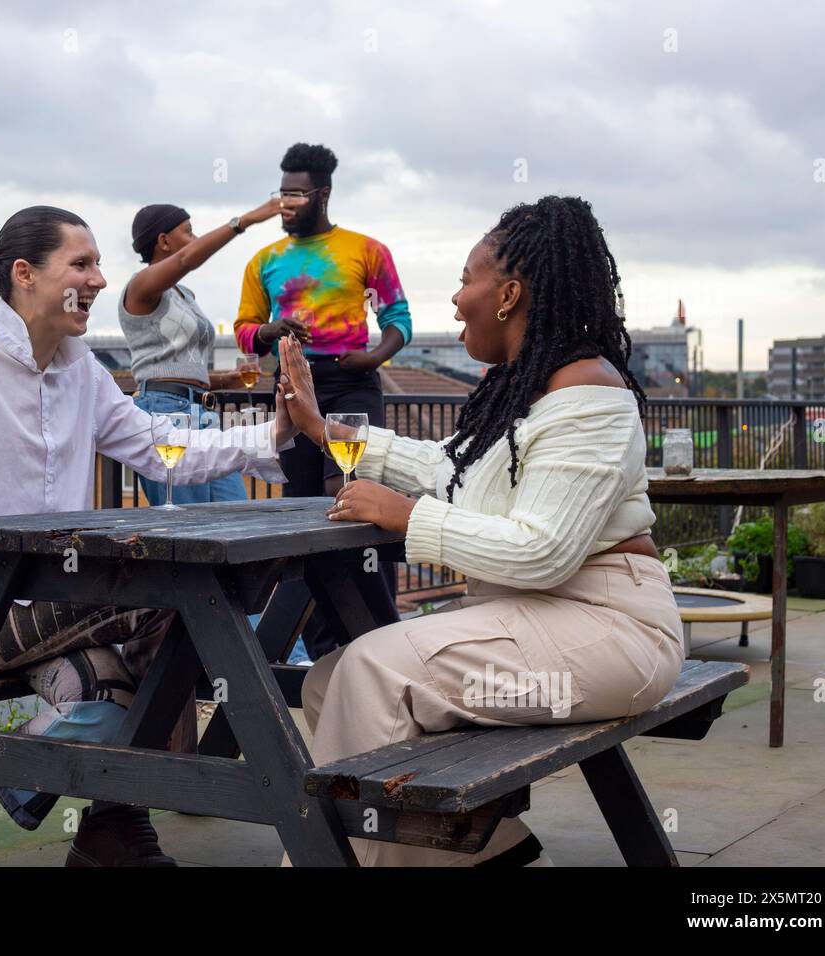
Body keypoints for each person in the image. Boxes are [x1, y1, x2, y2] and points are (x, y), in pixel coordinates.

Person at [275, 195, 685, 867]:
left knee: (373, 674)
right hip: (547, 619)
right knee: (329, 680)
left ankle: (338, 859)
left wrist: (406, 516)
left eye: (468, 279)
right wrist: (326, 432)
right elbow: (445, 466)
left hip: (611, 633)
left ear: (510, 293)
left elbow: (543, 549)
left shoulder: (588, 392)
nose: (457, 298)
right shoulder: (531, 388)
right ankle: (479, 850)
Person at [0, 205, 297, 867]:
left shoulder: (81, 370)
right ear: (25, 275)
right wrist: (39, 552)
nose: (100, 279)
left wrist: (272, 437)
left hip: (65, 607)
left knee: (108, 690)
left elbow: (160, 445)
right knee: (176, 601)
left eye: (98, 263)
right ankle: (160, 811)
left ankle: (3, 805)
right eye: (81, 264)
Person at [235, 142, 411, 660]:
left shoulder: (366, 249)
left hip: (351, 383)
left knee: (355, 503)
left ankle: (379, 635)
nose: (286, 203)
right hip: (293, 387)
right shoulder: (264, 260)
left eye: (295, 193)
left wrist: (373, 357)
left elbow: (398, 319)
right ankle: (321, 649)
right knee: (303, 509)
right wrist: (270, 330)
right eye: (281, 193)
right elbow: (246, 332)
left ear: (322, 194)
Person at [120, 196, 303, 504]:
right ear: (163, 240)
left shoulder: (184, 294)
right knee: (188, 526)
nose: (194, 238)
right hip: (164, 413)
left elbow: (175, 366)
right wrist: (245, 220)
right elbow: (185, 260)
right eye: (188, 231)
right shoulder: (141, 287)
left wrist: (224, 380)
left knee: (235, 517)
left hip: (201, 413)